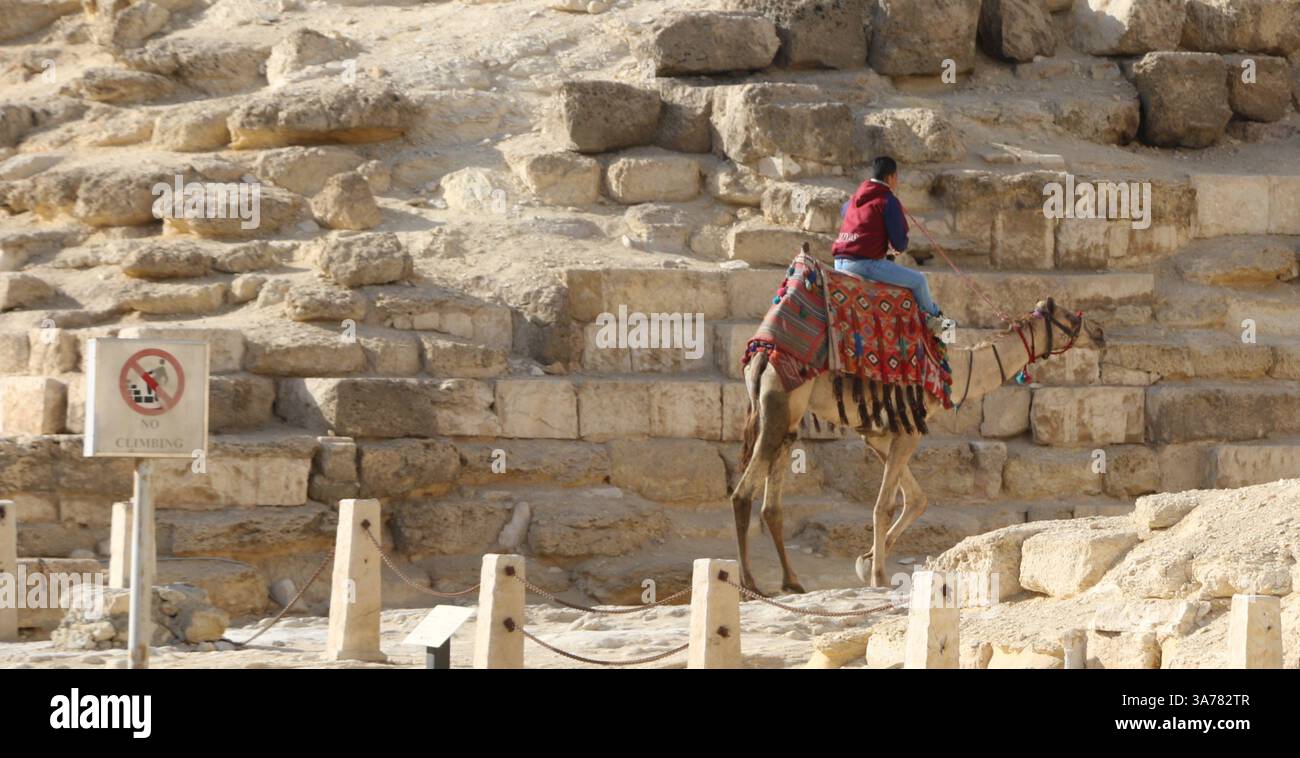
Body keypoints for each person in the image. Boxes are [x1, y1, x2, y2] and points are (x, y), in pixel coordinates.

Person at [832, 156, 946, 335]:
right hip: (863, 264)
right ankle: (942, 333)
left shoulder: (854, 199)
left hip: (838, 262)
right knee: (919, 281)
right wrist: (897, 248)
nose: (896, 182)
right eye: (896, 177)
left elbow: (844, 211)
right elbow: (899, 242)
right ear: (890, 177)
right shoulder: (887, 200)